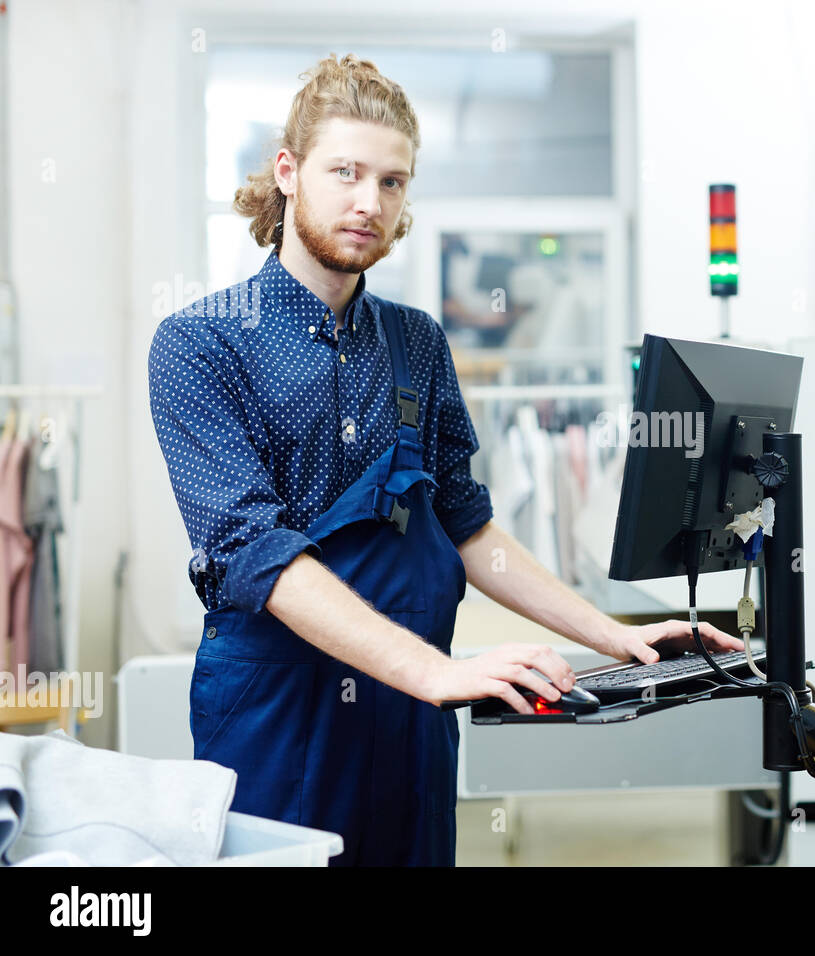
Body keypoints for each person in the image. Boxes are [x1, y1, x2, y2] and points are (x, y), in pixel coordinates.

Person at [147, 53, 741, 867]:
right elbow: (256, 555)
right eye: (345, 172)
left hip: (407, 724)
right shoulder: (199, 344)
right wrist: (434, 671)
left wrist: (613, 637)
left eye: (392, 182)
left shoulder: (416, 342)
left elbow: (466, 523)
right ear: (288, 172)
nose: (369, 202)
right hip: (278, 714)